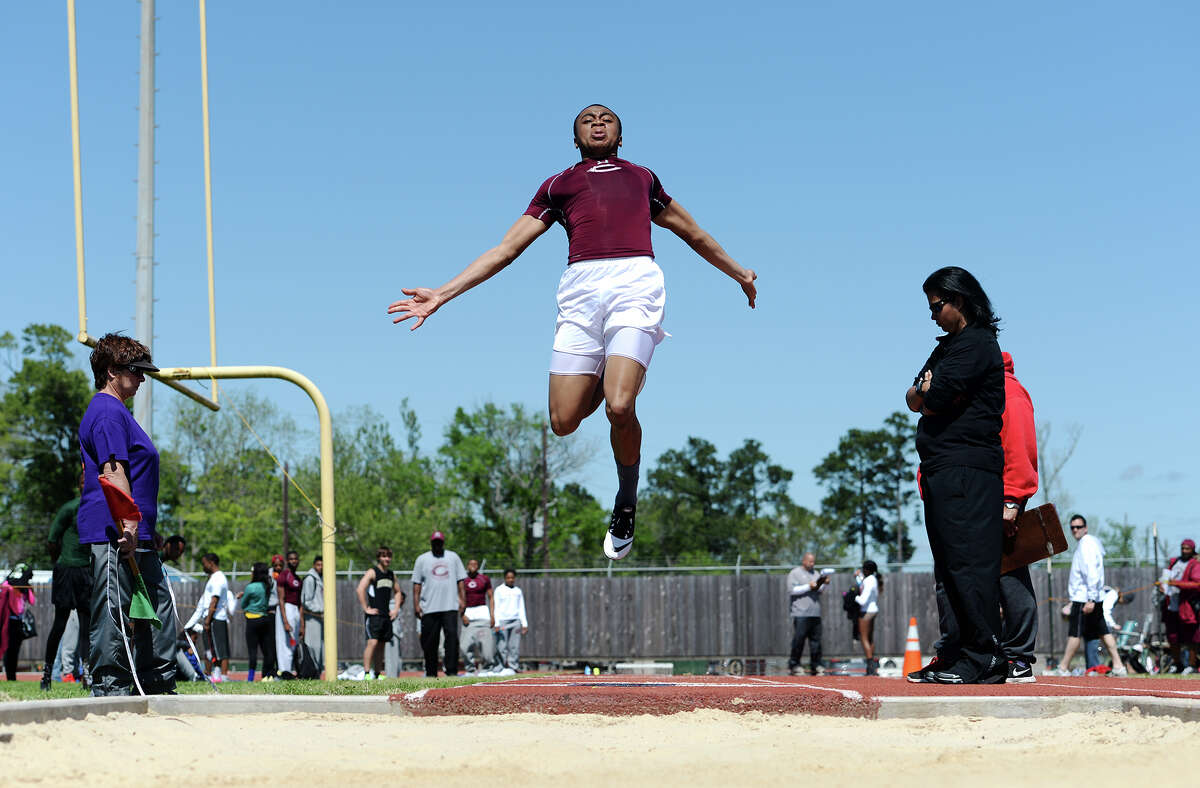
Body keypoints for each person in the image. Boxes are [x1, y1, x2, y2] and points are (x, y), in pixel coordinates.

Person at [388, 104, 758, 561]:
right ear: (575, 138)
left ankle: (626, 498)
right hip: (580, 293)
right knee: (563, 423)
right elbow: (506, 249)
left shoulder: (643, 178)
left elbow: (695, 234)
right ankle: (612, 364)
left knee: (620, 405)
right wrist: (443, 294)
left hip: (634, 285)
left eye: (607, 117)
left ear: (620, 136)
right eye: (587, 119)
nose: (597, 122)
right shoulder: (557, 185)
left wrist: (738, 272)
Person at [905, 267, 1006, 684]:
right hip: (941, 468)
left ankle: (984, 655)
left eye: (936, 306)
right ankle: (957, 651)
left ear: (958, 300)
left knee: (968, 563)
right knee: (949, 567)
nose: (931, 316)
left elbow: (934, 396)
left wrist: (930, 391)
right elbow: (913, 397)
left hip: (968, 468)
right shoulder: (947, 349)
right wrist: (927, 391)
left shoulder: (978, 344)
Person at [917, 351, 1041, 684]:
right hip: (957, 498)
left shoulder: (1006, 391)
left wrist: (1013, 498)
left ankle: (1017, 656)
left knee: (1006, 574)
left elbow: (1019, 444)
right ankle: (959, 651)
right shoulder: (968, 392)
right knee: (950, 577)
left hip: (994, 498)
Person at [77, 332, 178, 696]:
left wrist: (145, 528)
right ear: (111, 371)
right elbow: (113, 469)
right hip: (114, 531)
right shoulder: (105, 411)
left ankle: (158, 682)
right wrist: (130, 522)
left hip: (139, 532)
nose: (142, 379)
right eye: (136, 371)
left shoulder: (119, 412)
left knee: (157, 607)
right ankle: (111, 685)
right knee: (114, 608)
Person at [1053, 516, 1126, 676]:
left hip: (1085, 598)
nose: (1075, 530)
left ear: (1085, 528)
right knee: (1103, 631)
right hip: (1092, 596)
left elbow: (1092, 572)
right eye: (1072, 527)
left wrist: (1091, 599)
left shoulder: (1087, 545)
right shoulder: (1090, 543)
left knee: (1075, 632)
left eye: (1078, 527)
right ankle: (1119, 666)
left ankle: (1063, 667)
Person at [42, 475, 93, 690]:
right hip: (66, 570)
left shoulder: (99, 509)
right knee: (60, 623)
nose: (85, 484)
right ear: (78, 485)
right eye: (82, 481)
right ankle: (46, 674)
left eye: (88, 481)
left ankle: (87, 675)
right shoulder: (70, 508)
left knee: (86, 626)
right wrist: (59, 564)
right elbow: (52, 540)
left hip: (86, 572)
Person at [412, 531, 466, 677]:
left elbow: (461, 580)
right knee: (430, 642)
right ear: (431, 543)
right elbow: (416, 584)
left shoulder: (453, 557)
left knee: (452, 639)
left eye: (439, 542)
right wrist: (416, 605)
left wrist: (463, 600)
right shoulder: (422, 559)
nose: (437, 545)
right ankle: (431, 672)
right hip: (429, 607)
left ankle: (452, 671)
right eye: (435, 542)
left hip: (450, 606)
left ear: (443, 543)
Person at [357, 546, 404, 679]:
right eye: (384, 556)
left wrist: (395, 610)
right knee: (372, 643)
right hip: (374, 615)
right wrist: (366, 608)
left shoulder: (391, 574)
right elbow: (360, 589)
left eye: (388, 556)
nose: (387, 559)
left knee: (382, 645)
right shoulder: (372, 572)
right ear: (378, 557)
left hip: (386, 614)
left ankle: (377, 674)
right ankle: (367, 673)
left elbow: (398, 592)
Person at [1156, 539, 1198, 672]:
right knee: (1173, 636)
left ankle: (1191, 665)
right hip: (1171, 604)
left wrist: (1177, 583)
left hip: (1187, 606)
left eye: (1187, 548)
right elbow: (1166, 578)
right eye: (1183, 548)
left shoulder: (1195, 564)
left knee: (1191, 636)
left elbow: (1197, 584)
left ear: (1192, 549)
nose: (1184, 551)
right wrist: (1163, 585)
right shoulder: (1174, 562)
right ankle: (1176, 663)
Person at [786, 553, 828, 676]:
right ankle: (795, 664)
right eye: (810, 561)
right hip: (800, 612)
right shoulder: (795, 573)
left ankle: (816, 664)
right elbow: (792, 590)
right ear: (803, 561)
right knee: (799, 639)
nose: (812, 564)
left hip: (815, 613)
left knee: (816, 641)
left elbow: (819, 590)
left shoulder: (816, 574)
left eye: (813, 562)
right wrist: (808, 586)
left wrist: (824, 583)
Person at [241, 561, 276, 682]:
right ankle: (266, 675)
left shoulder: (250, 587)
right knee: (267, 650)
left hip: (252, 620)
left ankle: (250, 678)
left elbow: (243, 604)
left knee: (253, 651)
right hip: (265, 619)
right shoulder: (267, 585)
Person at [198, 553, 231, 681]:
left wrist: (207, 620)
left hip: (217, 618)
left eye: (204, 563)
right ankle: (216, 675)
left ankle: (224, 676)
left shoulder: (218, 578)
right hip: (211, 618)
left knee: (221, 649)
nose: (203, 566)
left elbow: (214, 600)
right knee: (213, 649)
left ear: (211, 563)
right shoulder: (213, 578)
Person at [0, 564, 36, 681]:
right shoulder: (8, 585)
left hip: (19, 622)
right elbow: (4, 590)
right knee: (8, 649)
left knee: (15, 650)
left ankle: (12, 676)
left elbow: (32, 601)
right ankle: (10, 676)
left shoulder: (25, 587)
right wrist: (11, 587)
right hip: (8, 621)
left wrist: (28, 588)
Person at [460, 558, 495, 674]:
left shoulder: (484, 579)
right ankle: (470, 670)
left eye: (475, 564)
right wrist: (462, 614)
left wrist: (492, 615)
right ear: (467, 566)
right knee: (464, 647)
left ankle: (487, 669)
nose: (473, 566)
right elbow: (459, 598)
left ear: (478, 566)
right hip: (468, 617)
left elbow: (491, 597)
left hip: (483, 616)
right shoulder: (462, 580)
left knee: (486, 649)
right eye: (471, 564)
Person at [492, 569, 528, 675]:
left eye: (512, 577)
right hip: (503, 621)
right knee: (501, 646)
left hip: (516, 621)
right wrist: (497, 623)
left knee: (514, 646)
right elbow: (496, 607)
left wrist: (524, 623)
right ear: (505, 578)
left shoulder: (518, 591)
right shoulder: (499, 590)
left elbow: (521, 607)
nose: (510, 579)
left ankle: (513, 666)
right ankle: (500, 667)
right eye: (508, 577)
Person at [274, 550, 303, 679]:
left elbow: (300, 602)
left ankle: (289, 670)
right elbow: (281, 599)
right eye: (291, 559)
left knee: (293, 643)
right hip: (286, 609)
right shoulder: (283, 576)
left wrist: (302, 624)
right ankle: (283, 671)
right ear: (287, 561)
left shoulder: (297, 578)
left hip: (295, 610)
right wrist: (285, 621)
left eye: (296, 559)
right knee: (284, 643)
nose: (294, 561)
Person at [854, 561, 881, 676]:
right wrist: (858, 577)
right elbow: (863, 583)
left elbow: (863, 600)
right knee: (870, 639)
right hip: (873, 610)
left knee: (864, 638)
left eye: (863, 569)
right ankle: (872, 665)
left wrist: (853, 596)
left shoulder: (869, 581)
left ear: (867, 570)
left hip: (866, 611)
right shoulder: (872, 579)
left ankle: (870, 667)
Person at [301, 555, 324, 670]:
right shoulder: (310, 579)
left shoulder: (322, 578)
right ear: (314, 565)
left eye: (322, 565)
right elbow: (306, 601)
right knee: (313, 646)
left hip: (321, 618)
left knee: (321, 647)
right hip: (312, 618)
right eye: (318, 565)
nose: (321, 567)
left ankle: (318, 670)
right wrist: (319, 610)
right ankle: (312, 670)